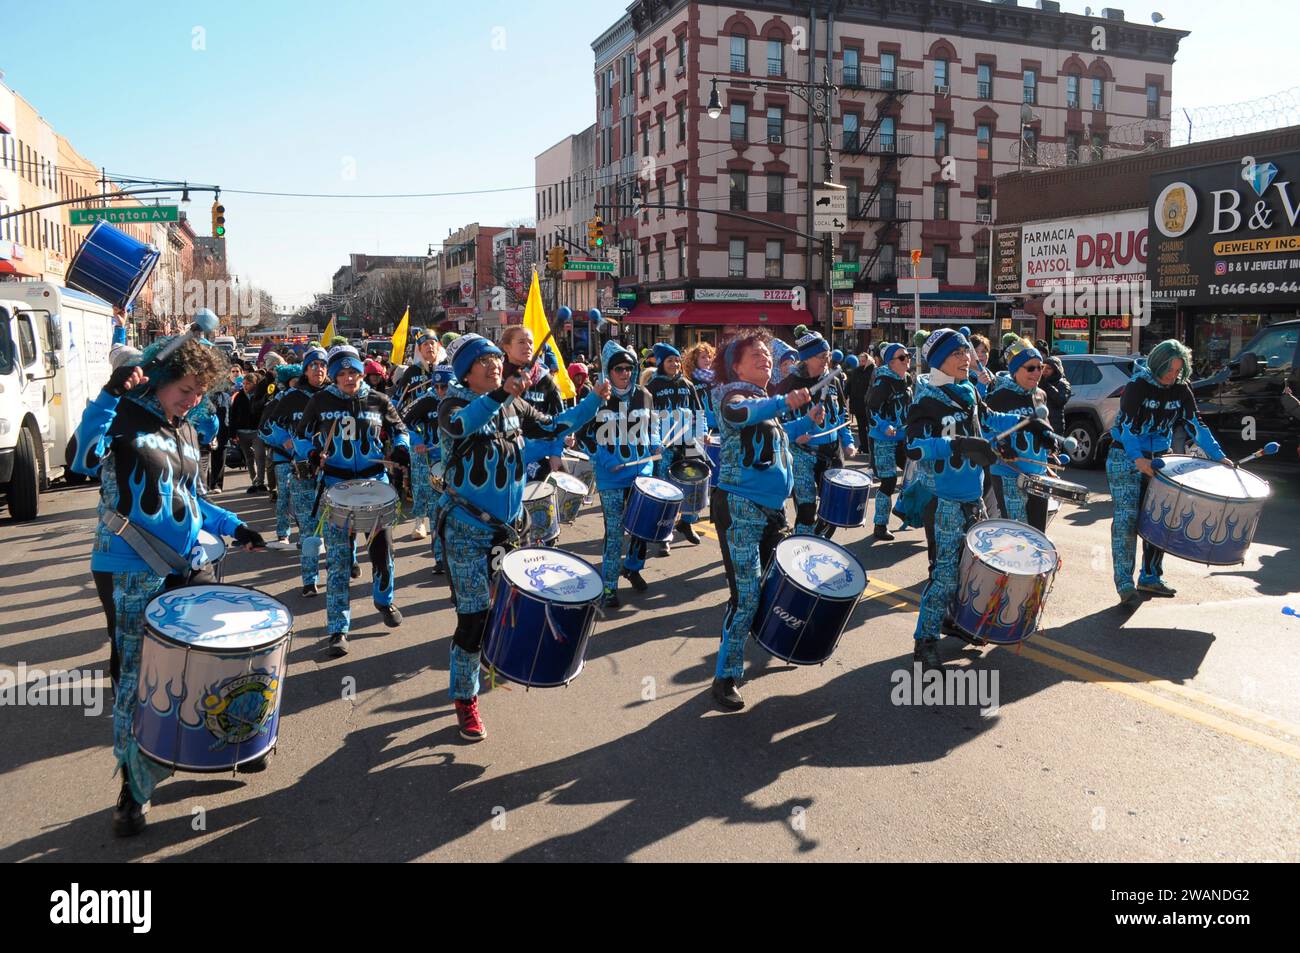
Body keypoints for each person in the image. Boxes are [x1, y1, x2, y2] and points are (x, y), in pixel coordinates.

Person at [71, 336, 265, 836]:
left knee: (216, 650)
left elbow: (192, 500)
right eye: (185, 388)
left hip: (184, 561)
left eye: (201, 391)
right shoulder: (125, 418)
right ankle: (133, 788)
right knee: (138, 675)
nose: (193, 399)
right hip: (129, 564)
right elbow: (81, 457)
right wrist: (110, 393)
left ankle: (226, 741)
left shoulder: (184, 431)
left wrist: (232, 526)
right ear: (159, 380)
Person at [434, 334, 607, 740]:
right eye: (485, 361)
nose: (495, 365)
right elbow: (463, 425)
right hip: (464, 528)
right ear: (466, 372)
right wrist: (500, 396)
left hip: (508, 529)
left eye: (497, 358)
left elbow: (553, 427)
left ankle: (489, 663)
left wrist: (593, 401)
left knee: (502, 609)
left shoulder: (514, 402)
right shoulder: (452, 404)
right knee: (473, 617)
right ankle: (465, 697)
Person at [708, 331, 823, 710]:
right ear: (735, 365)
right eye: (755, 354)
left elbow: (775, 440)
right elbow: (739, 415)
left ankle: (769, 641)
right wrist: (782, 402)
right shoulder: (732, 396)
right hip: (740, 507)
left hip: (772, 512)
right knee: (746, 597)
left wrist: (801, 422)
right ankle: (726, 675)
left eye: (767, 354)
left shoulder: (763, 402)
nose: (765, 359)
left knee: (778, 584)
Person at [905, 329, 1020, 669]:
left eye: (966, 351)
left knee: (971, 567)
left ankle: (956, 621)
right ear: (939, 360)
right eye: (956, 354)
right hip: (942, 499)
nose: (965, 357)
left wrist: (1028, 424)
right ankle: (924, 640)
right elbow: (914, 447)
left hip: (973, 495)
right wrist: (958, 445)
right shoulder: (925, 399)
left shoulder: (967, 389)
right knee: (943, 574)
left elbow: (987, 419)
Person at [297, 345, 411, 655]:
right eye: (343, 373)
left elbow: (400, 429)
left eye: (355, 372)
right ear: (334, 376)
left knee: (382, 551)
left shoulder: (379, 400)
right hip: (336, 486)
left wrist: (401, 447)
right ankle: (338, 628)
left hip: (376, 484)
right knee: (337, 561)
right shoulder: (320, 401)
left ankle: (384, 600)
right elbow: (300, 435)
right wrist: (309, 453)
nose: (350, 378)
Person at [1107, 339, 1231, 604]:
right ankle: (1125, 584)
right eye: (1168, 370)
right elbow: (1127, 427)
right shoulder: (1137, 386)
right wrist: (1138, 459)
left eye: (1177, 371)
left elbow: (1196, 425)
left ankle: (1150, 577)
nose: (1172, 376)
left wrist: (1220, 457)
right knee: (1127, 521)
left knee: (1159, 520)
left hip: (1161, 460)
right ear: (1157, 364)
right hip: (1125, 457)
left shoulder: (1181, 389)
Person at [582, 341, 662, 607]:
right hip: (611, 476)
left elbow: (653, 425)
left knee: (642, 530)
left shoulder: (645, 395)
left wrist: (655, 441)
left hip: (642, 474)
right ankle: (608, 587)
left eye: (629, 368)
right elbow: (584, 436)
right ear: (608, 370)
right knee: (615, 531)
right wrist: (606, 460)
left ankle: (633, 566)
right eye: (619, 368)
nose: (625, 373)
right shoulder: (597, 398)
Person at [779, 331, 856, 538]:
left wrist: (847, 441)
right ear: (806, 358)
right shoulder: (789, 386)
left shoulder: (833, 380)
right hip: (803, 453)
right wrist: (795, 436)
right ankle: (802, 548)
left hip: (831, 453)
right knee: (806, 510)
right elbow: (779, 425)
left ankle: (818, 543)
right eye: (822, 356)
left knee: (833, 511)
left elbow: (842, 414)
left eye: (828, 355)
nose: (827, 360)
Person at [984, 340, 1066, 532]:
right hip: (1008, 474)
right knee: (1017, 533)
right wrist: (1001, 445)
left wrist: (1050, 444)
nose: (1037, 373)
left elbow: (1042, 427)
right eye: (1030, 368)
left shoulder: (1041, 395)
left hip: (1037, 473)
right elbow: (985, 429)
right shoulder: (999, 396)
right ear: (1015, 371)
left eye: (1040, 367)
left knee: (1037, 531)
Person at [265, 347, 328, 592]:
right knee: (308, 528)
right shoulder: (291, 396)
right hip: (302, 471)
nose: (319, 369)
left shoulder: (335, 394)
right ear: (305, 369)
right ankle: (309, 580)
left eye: (323, 365)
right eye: (313, 365)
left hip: (331, 472)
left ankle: (342, 565)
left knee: (337, 527)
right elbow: (267, 426)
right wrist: (286, 441)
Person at [645, 341, 708, 552]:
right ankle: (664, 533)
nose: (674, 364)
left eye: (677, 361)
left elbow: (699, 413)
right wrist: (654, 443)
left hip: (688, 443)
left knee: (694, 485)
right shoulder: (652, 387)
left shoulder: (687, 385)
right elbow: (646, 419)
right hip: (664, 447)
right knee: (666, 489)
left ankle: (687, 522)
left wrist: (702, 434)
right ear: (662, 363)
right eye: (670, 361)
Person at [403, 364, 455, 565]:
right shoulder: (426, 401)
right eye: (437, 386)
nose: (441, 391)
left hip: (460, 462)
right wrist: (417, 441)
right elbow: (404, 423)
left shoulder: (463, 400)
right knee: (436, 510)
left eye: (446, 386)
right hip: (435, 464)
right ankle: (440, 558)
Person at [500, 326, 566, 474]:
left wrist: (556, 453)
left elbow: (560, 420)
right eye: (521, 342)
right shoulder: (496, 378)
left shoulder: (546, 380)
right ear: (507, 347)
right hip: (504, 459)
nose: (528, 346)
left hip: (539, 460)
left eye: (530, 342)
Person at [865, 343, 913, 540]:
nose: (907, 359)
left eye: (908, 355)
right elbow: (871, 409)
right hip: (883, 439)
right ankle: (880, 525)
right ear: (891, 362)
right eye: (902, 357)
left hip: (904, 437)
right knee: (889, 481)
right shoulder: (883, 382)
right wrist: (884, 426)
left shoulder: (908, 378)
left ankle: (906, 511)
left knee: (914, 475)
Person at [258, 363, 303, 546]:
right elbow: (262, 429)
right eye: (295, 381)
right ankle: (282, 533)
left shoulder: (310, 399)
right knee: (284, 494)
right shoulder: (277, 401)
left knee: (304, 496)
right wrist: (282, 441)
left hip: (304, 458)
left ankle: (305, 533)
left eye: (301, 380)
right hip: (282, 457)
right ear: (286, 382)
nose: (299, 384)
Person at [230, 370, 267, 491]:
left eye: (248, 384)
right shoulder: (239, 396)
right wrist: (233, 433)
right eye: (244, 383)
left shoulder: (260, 396)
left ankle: (260, 481)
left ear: (255, 384)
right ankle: (254, 481)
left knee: (260, 456)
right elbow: (233, 415)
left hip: (256, 431)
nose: (245, 386)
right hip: (242, 431)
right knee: (248, 458)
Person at [683, 341, 717, 430]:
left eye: (709, 357)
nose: (707, 360)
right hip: (699, 428)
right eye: (703, 357)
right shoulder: (689, 380)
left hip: (719, 427)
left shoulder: (717, 378)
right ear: (694, 360)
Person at [847, 349, 877, 450]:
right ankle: (864, 446)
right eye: (860, 361)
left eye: (863, 361)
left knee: (870, 426)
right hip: (858, 404)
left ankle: (871, 447)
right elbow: (849, 386)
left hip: (869, 404)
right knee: (861, 426)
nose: (861, 363)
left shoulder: (874, 371)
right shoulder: (856, 371)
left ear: (868, 360)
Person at [1039, 355, 1072, 436]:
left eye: (1049, 368)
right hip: (1041, 422)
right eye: (1044, 367)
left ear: (1056, 370)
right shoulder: (1040, 382)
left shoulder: (1062, 383)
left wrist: (1047, 385)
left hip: (1055, 426)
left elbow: (1061, 400)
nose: (1045, 371)